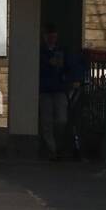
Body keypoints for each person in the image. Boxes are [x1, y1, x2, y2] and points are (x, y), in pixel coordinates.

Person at [39, 24, 83, 160]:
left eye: (53, 35)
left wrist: (72, 79)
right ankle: (52, 150)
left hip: (59, 89)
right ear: (45, 37)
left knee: (61, 120)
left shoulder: (62, 51)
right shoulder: (41, 52)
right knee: (46, 121)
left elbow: (71, 67)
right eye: (49, 36)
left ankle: (57, 146)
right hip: (45, 89)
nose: (51, 38)